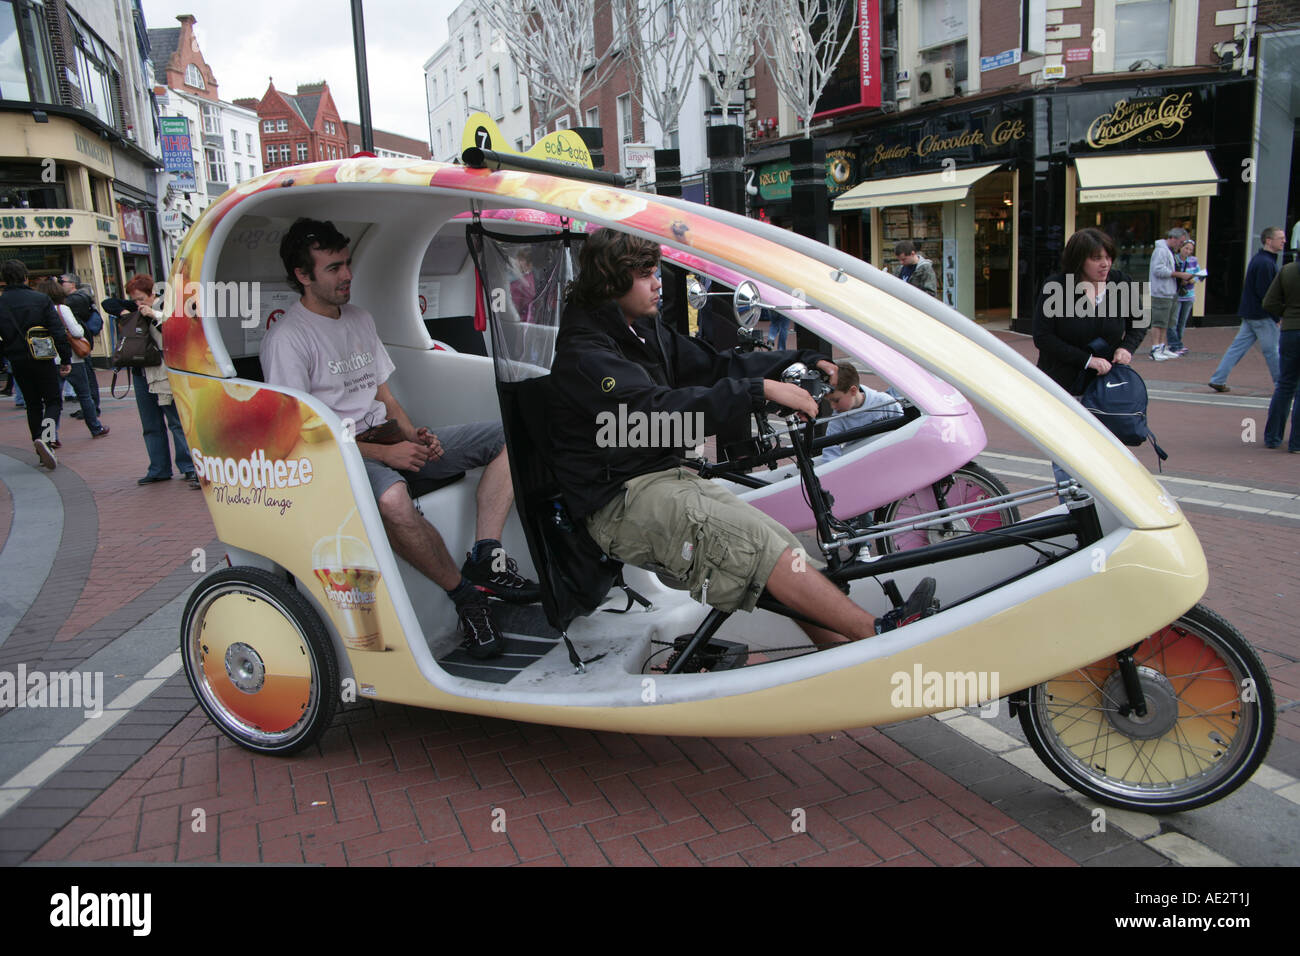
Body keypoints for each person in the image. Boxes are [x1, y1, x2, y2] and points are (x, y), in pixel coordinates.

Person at [547, 228, 939, 646]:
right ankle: (881, 636)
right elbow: (656, 412)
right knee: (756, 548)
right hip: (618, 501)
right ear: (611, 281)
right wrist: (758, 392)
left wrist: (798, 359)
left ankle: (843, 656)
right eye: (645, 274)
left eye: (656, 271)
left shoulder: (643, 331)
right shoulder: (585, 353)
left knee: (783, 547)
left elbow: (717, 367)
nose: (658, 282)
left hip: (659, 478)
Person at [263, 218, 539, 660]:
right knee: (393, 501)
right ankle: (468, 598)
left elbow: (384, 395)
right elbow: (301, 433)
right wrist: (385, 452)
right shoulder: (287, 339)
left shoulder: (358, 318)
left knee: (515, 434)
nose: (347, 275)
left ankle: (486, 554)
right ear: (303, 276)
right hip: (343, 455)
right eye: (333, 268)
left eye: (347, 264)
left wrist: (415, 436)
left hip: (388, 439)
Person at [1033, 228, 1147, 490]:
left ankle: (1103, 507)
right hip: (1064, 384)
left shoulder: (1123, 283)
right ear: (1079, 260)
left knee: (1106, 453)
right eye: (1096, 258)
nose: (1105, 263)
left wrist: (1127, 348)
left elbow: (1140, 322)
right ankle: (1075, 512)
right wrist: (1087, 360)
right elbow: (1043, 337)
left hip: (1107, 387)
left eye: (1108, 256)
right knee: (1068, 455)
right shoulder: (1056, 287)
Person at [105, 275, 200, 488]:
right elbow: (108, 303)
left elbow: (176, 328)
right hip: (142, 371)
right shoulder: (137, 306)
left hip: (162, 372)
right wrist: (125, 310)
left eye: (140, 298)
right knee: (150, 423)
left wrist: (154, 313)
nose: (137, 303)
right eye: (134, 299)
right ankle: (158, 468)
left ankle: (188, 467)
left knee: (175, 421)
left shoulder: (166, 306)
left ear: (152, 294)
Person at [2, 259, 71, 468]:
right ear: (25, 276)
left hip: (17, 359)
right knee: (52, 401)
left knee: (32, 404)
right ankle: (47, 439)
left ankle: (39, 446)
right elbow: (58, 331)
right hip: (42, 356)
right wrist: (65, 358)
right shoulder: (40, 299)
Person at [1208, 226, 1286, 392]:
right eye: (1280, 238)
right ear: (1268, 240)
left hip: (1251, 313)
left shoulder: (1260, 260)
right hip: (1262, 315)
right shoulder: (1266, 263)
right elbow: (1266, 294)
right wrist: (1277, 316)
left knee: (1237, 348)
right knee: (1272, 350)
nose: (1284, 241)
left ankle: (1218, 378)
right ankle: (1282, 384)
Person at [36, 278, 109, 439]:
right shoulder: (62, 309)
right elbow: (77, 332)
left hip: (48, 358)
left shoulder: (38, 310)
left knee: (52, 401)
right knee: (84, 395)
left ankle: (49, 436)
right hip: (71, 358)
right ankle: (95, 427)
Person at [821, 361, 903, 462]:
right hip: (863, 463)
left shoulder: (885, 402)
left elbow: (905, 429)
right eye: (829, 401)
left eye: (836, 400)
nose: (833, 406)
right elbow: (830, 452)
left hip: (891, 457)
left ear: (853, 390)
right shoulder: (837, 419)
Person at [1262, 259, 1300, 452]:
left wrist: (1286, 314)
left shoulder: (1287, 270)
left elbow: (1269, 302)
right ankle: (1297, 443)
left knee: (1285, 384)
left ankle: (1273, 437)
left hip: (1290, 330)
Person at [60, 273, 103, 419]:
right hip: (79, 343)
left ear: (72, 284)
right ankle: (89, 408)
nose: (60, 284)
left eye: (62, 282)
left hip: (79, 343)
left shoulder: (76, 299)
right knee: (84, 377)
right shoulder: (80, 297)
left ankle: (92, 409)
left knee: (87, 376)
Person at [1146, 227, 1190, 361]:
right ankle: (1155, 348)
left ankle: (1161, 346)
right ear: (1173, 238)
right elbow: (1158, 270)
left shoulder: (1169, 251)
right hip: (1161, 292)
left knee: (1166, 322)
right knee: (1158, 321)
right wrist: (1178, 274)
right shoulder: (1161, 251)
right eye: (1181, 242)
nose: (1181, 245)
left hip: (1169, 292)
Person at [1166, 238, 1202, 356]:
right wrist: (1181, 280)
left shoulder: (1193, 260)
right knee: (1173, 321)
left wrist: (1193, 279)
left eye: (1190, 249)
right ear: (1181, 248)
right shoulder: (1174, 259)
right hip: (1177, 294)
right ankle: (1174, 344)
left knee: (1182, 322)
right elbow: (1170, 274)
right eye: (1186, 248)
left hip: (1189, 294)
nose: (1188, 251)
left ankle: (1178, 343)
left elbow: (1199, 274)